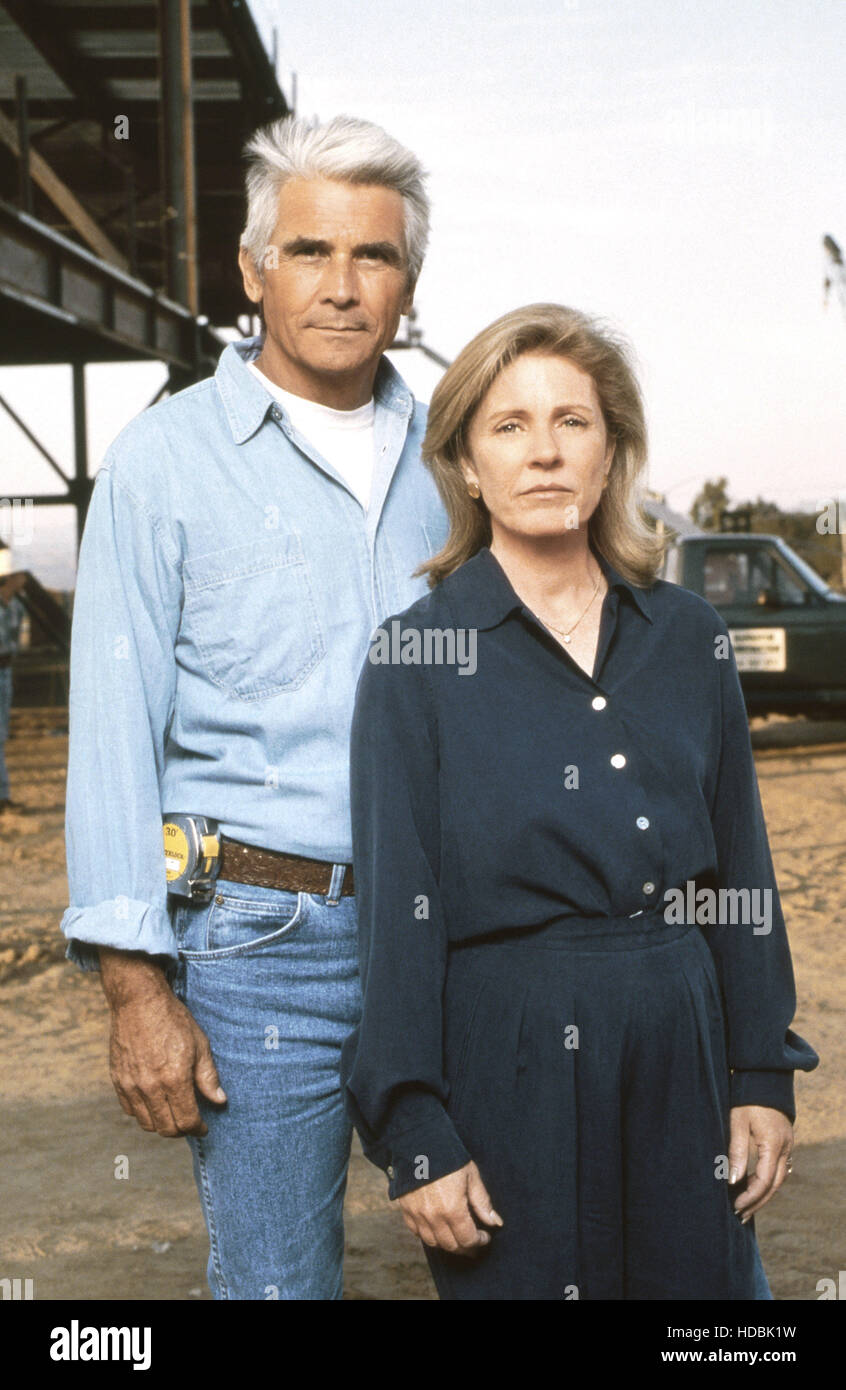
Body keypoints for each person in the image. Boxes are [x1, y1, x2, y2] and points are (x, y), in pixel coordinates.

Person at [341, 303, 819, 1300]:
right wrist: (416, 1128)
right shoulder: (416, 658)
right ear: (466, 463)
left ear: (613, 455)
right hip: (505, 1055)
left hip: (682, 1039)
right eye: (509, 425)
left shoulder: (690, 638)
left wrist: (760, 1073)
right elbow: (396, 919)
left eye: (574, 421)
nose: (545, 451)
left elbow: (742, 871)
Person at [60, 114, 448, 1300]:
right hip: (260, 945)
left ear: (409, 279)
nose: (342, 286)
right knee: (278, 1285)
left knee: (526, 1252)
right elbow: (114, 726)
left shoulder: (461, 459)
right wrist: (137, 989)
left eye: (374, 256)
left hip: (457, 937)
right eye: (310, 251)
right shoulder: (164, 464)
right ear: (251, 269)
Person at [0, 572, 25, 814]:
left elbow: (17, 641)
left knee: (1, 734)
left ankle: (3, 795)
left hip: (5, 671)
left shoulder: (16, 607)